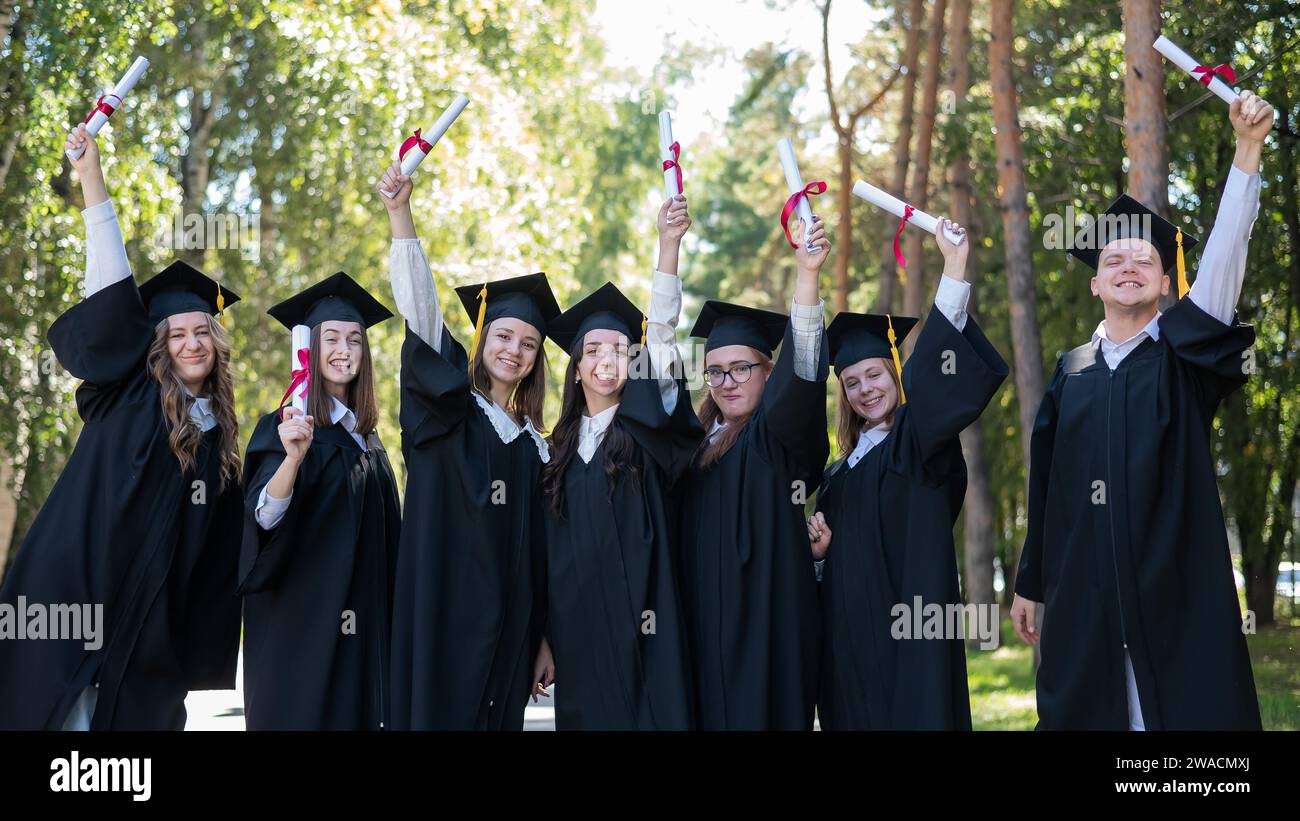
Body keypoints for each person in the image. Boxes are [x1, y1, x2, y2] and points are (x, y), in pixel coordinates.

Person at [1010, 91, 1274, 730]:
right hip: (1083, 592)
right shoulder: (1071, 372)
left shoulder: (1185, 356)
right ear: (1096, 282)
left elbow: (1223, 262)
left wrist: (1246, 149)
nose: (1129, 265)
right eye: (1113, 259)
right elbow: (1046, 485)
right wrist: (1030, 581)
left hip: (1173, 585)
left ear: (1165, 283)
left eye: (1145, 259)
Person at [0, 125, 244, 730]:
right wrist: (92, 178)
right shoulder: (128, 392)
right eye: (176, 334)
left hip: (149, 621)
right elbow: (109, 283)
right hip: (73, 594)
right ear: (155, 344)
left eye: (201, 333)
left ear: (217, 342)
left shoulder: (220, 436)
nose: (190, 344)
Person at [379, 163, 558, 729]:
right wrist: (400, 215)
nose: (515, 350)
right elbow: (423, 315)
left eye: (529, 343)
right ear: (481, 340)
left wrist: (546, 638)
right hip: (441, 624)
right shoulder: (447, 413)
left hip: (512, 635)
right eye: (503, 336)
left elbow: (548, 557)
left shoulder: (538, 449)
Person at [810, 219, 1008, 729]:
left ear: (897, 373)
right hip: (847, 652)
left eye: (875, 374)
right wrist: (818, 556)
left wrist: (955, 268)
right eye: (851, 382)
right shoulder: (835, 475)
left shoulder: (918, 444)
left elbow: (935, 378)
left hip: (909, 643)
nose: (865, 390)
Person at [540, 195, 702, 729]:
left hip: (650, 635)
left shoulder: (646, 431)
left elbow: (660, 338)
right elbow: (543, 555)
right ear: (578, 368)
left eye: (618, 349)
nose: (607, 359)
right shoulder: (555, 452)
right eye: (593, 351)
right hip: (578, 637)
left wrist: (668, 246)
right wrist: (544, 635)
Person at [677, 217, 831, 730]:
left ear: (768, 372)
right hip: (699, 631)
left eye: (742, 367)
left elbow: (804, 374)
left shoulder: (775, 438)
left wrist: (806, 275)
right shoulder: (691, 448)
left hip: (770, 631)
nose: (727, 380)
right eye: (716, 371)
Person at [238, 272, 401, 730]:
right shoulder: (285, 426)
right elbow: (263, 519)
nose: (344, 350)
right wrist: (292, 460)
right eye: (331, 338)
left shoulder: (369, 442)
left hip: (360, 634)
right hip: (299, 631)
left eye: (354, 340)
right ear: (310, 349)